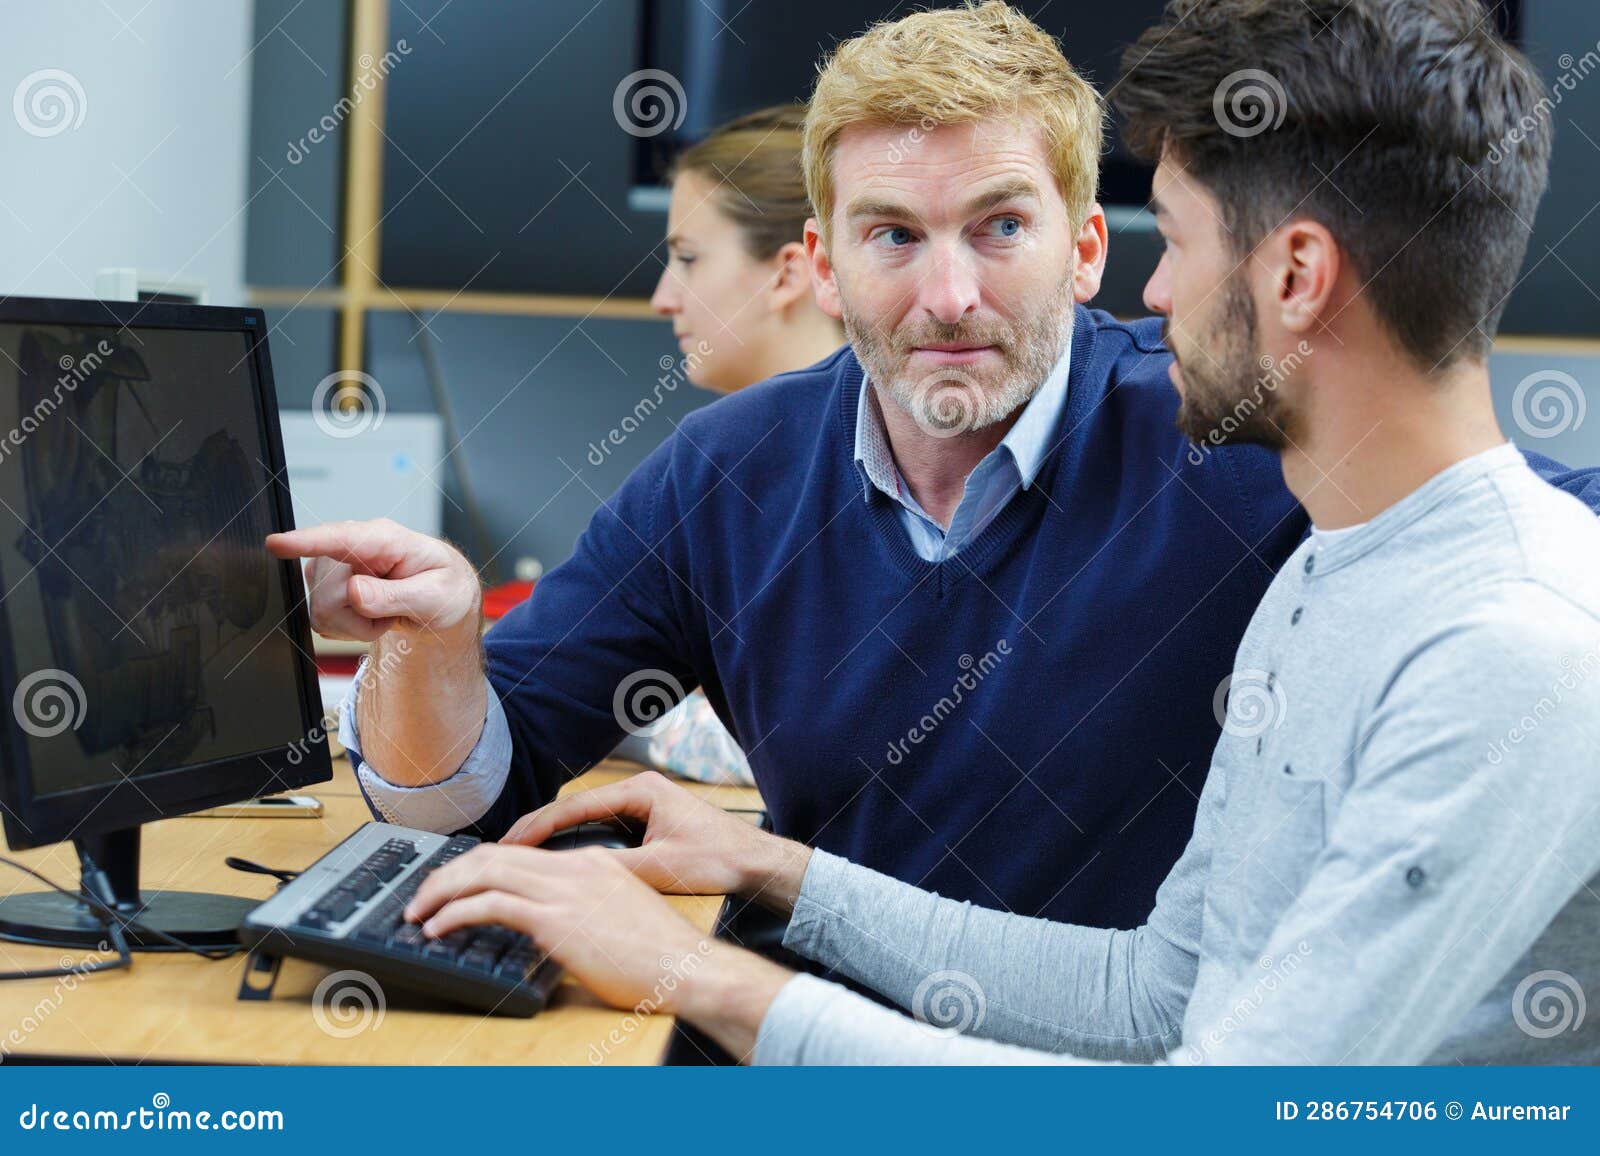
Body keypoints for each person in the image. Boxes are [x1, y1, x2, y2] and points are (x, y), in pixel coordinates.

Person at [403, 0, 1600, 1065]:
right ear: (825, 264)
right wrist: (775, 873)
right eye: (891, 237)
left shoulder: (1511, 635)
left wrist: (705, 979)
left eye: (1173, 239)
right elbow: (1152, 995)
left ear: (1292, 278)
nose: (1156, 293)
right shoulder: (1333, 570)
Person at [616, 104, 845, 787]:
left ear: (787, 273)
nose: (663, 298)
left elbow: (788, 740)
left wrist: (600, 703)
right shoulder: (739, 463)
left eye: (687, 259)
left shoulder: (860, 463)